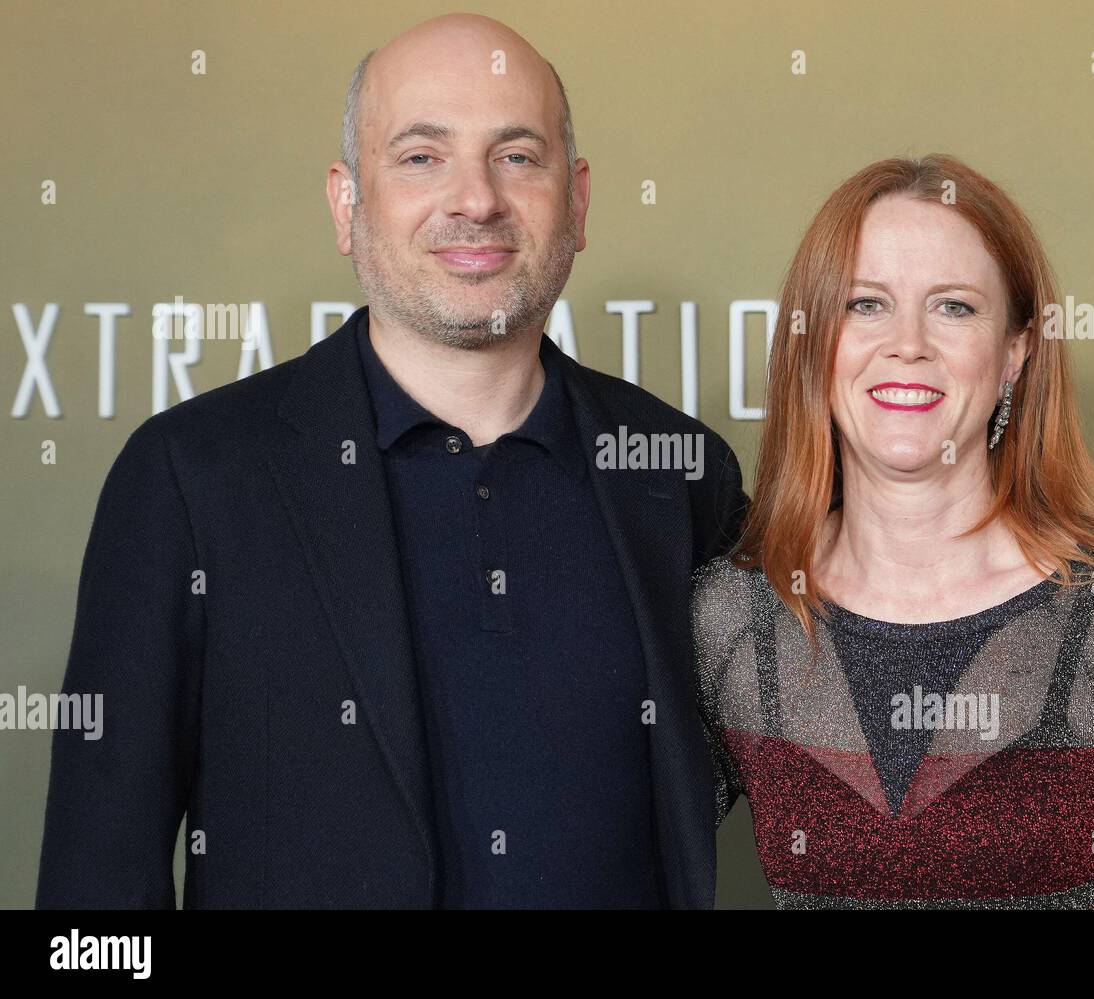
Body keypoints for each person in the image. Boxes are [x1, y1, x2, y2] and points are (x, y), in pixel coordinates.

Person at [36, 13, 745, 909]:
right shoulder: (190, 477)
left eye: (518, 155)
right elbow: (93, 892)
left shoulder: (680, 474)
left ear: (580, 200)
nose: (476, 199)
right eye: (420, 156)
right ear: (345, 203)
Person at [692, 154, 1094, 909]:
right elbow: (598, 860)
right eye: (866, 304)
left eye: (954, 307)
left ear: (1015, 353)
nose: (908, 342)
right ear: (813, 342)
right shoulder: (733, 618)